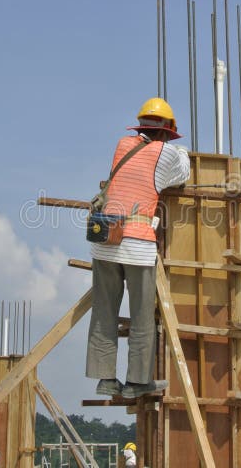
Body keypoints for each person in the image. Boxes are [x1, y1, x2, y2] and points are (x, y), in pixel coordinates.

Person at [86, 97, 190, 399]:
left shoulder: (122, 145)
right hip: (137, 243)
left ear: (141, 126)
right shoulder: (166, 153)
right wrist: (181, 151)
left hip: (105, 241)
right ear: (169, 132)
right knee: (142, 314)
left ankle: (105, 379)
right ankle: (136, 382)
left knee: (104, 312)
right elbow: (183, 173)